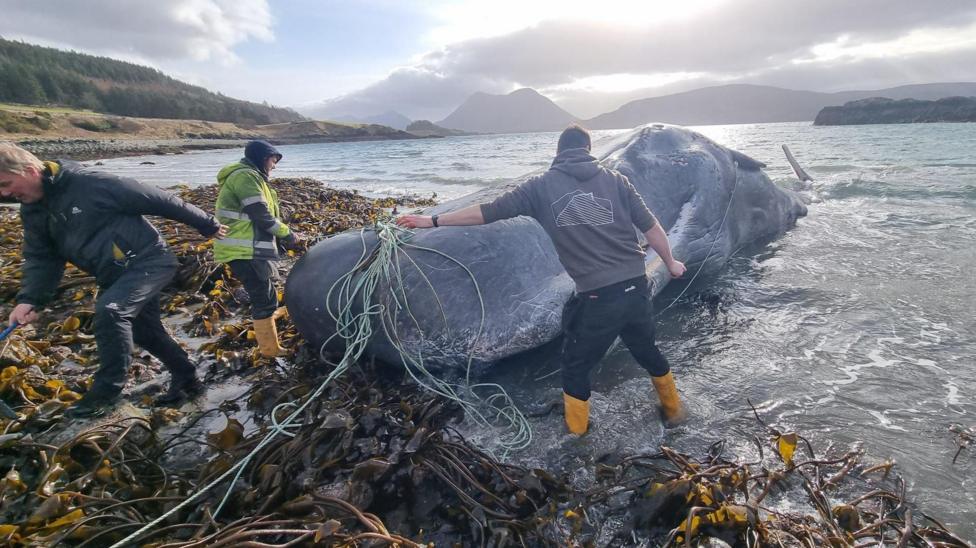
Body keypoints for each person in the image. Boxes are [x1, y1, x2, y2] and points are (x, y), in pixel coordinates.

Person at [396, 125, 688, 434]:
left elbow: (488, 212)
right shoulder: (617, 181)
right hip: (637, 288)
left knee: (576, 369)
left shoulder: (540, 186)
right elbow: (652, 227)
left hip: (598, 298)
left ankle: (577, 440)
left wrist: (433, 220)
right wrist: (671, 263)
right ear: (588, 149)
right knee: (647, 351)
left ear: (558, 152)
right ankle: (675, 414)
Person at [1, 141, 227, 418]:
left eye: (6, 183)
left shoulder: (89, 183)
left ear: (29, 171)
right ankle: (187, 377)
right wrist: (30, 300)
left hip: (149, 260)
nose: (5, 193)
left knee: (111, 311)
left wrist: (207, 223)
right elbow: (42, 258)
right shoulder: (33, 211)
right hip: (113, 274)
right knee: (146, 333)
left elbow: (156, 198)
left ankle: (106, 391)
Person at [213, 140, 302, 357]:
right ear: (263, 158)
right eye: (273, 160)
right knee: (263, 297)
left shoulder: (252, 176)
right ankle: (270, 349)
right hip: (243, 250)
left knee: (267, 290)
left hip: (250, 248)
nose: (275, 165)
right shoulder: (245, 177)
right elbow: (261, 215)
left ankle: (271, 325)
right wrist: (288, 234)